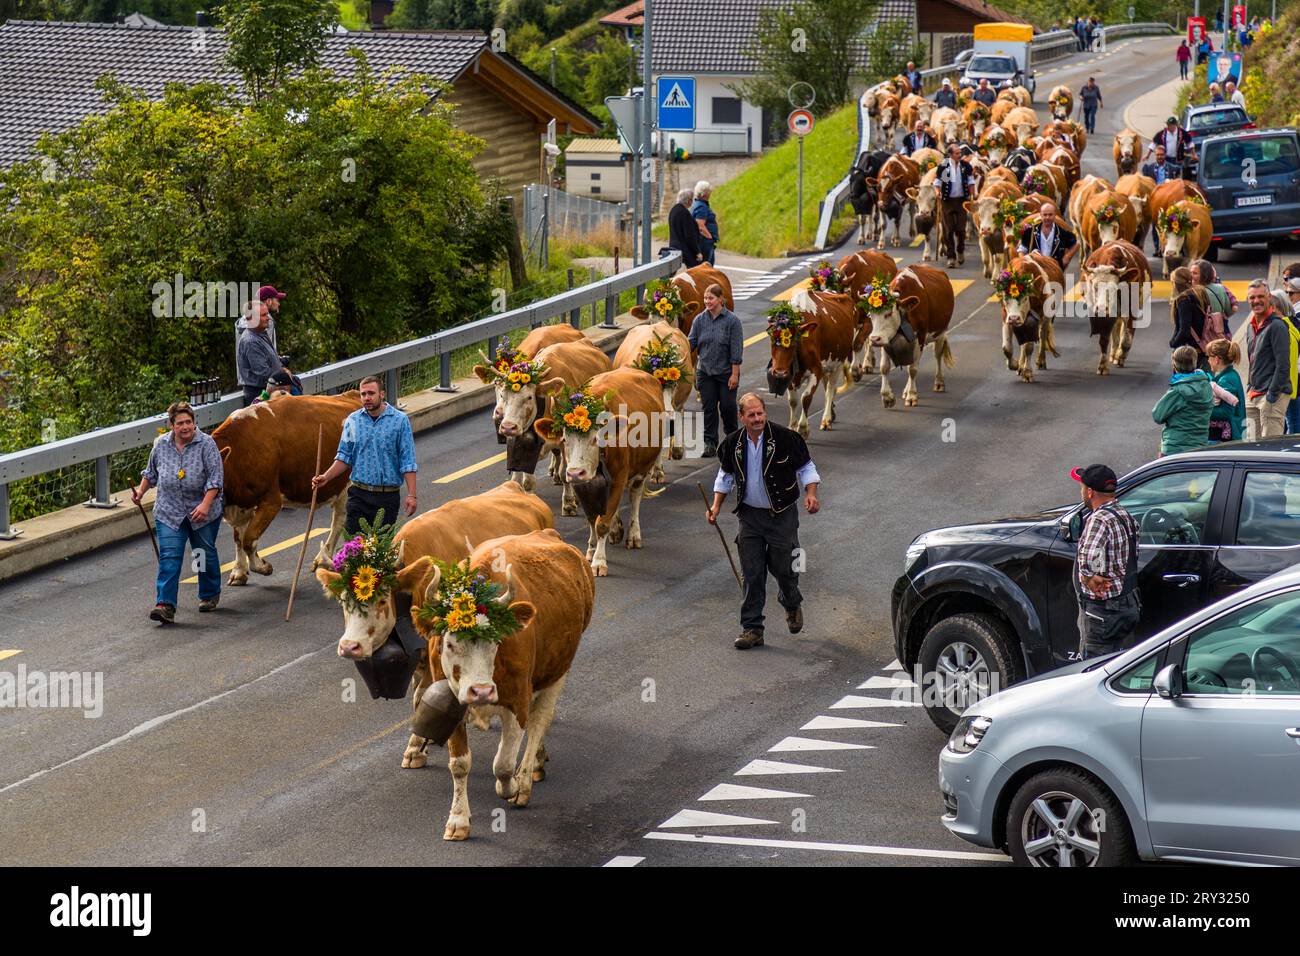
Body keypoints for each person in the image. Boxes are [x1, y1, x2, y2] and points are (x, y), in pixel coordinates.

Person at [706, 393, 820, 650]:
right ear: (741, 417)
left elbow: (807, 469)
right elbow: (724, 477)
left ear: (765, 413)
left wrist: (811, 494)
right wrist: (715, 507)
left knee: (784, 568)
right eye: (751, 415)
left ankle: (791, 602)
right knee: (752, 573)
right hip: (749, 518)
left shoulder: (786, 438)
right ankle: (752, 628)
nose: (757, 419)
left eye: (760, 414)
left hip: (782, 516)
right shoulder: (732, 444)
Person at [132, 401, 224, 624]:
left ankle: (208, 593)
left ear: (194, 423)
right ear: (171, 425)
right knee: (170, 557)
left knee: (201, 554)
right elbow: (151, 473)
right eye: (180, 423)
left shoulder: (206, 444)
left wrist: (204, 505)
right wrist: (141, 492)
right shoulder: (161, 445)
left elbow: (215, 478)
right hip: (169, 511)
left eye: (189, 422)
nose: (186, 427)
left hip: (202, 511)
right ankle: (165, 604)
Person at [312, 375, 418, 534]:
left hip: (387, 497)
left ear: (381, 394)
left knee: (378, 550)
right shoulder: (352, 421)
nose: (366, 398)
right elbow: (344, 457)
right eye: (363, 394)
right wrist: (325, 477)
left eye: (371, 393)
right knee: (354, 548)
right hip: (358, 494)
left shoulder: (399, 421)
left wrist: (412, 495)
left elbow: (407, 460)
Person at [1071, 464, 1141, 660]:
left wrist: (1088, 577)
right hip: (1128, 606)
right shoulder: (1125, 516)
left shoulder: (1099, 520)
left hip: (1103, 614)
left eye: (1082, 488)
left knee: (1094, 669)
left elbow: (1089, 561)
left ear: (1090, 492)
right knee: (1121, 665)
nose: (1081, 492)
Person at [687, 283, 743, 458]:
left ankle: (733, 441)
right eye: (705, 298)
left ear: (720, 299)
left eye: (710, 298)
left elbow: (736, 350)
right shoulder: (699, 320)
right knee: (709, 408)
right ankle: (709, 442)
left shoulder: (732, 321)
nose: (707, 301)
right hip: (705, 373)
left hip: (726, 373)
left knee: (727, 407)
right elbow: (691, 343)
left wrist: (735, 374)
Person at [1243, 279, 1294, 439]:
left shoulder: (1277, 326)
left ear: (1269, 297)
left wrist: (1272, 393)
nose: (1256, 301)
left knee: (1269, 447)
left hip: (1271, 396)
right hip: (1254, 394)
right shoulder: (1251, 326)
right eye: (1252, 297)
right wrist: (1250, 385)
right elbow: (1253, 360)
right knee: (1249, 443)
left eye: (1260, 296)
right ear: (1247, 300)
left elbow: (1283, 365)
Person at [1153, 345, 1213, 456]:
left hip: (1175, 448)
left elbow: (1157, 415)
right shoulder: (1207, 386)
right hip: (1200, 447)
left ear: (1175, 365)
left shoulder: (1178, 391)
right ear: (1195, 363)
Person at [236, 301, 286, 407]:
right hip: (259, 395)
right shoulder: (250, 341)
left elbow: (270, 363)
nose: (268, 317)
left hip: (271, 391)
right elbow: (263, 372)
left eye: (267, 314)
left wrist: (281, 366)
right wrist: (284, 375)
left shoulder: (261, 333)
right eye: (263, 315)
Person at [936, 142, 975, 268]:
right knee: (948, 230)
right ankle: (951, 257)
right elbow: (938, 182)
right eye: (957, 153)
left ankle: (960, 250)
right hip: (947, 201)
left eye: (960, 153)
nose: (960, 155)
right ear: (951, 155)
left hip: (961, 201)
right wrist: (938, 192)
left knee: (960, 229)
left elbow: (970, 181)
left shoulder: (965, 166)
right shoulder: (944, 166)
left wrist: (972, 194)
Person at [1168, 266, 1210, 368]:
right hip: (1202, 348)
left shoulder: (1183, 300)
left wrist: (1173, 342)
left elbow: (1184, 330)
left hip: (1188, 353)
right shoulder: (1200, 294)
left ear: (1175, 283)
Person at [1016, 201, 1078, 270]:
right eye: (1045, 215)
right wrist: (1025, 261)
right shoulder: (1029, 232)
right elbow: (1021, 250)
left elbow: (1077, 242)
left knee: (1068, 279)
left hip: (1054, 269)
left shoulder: (1062, 233)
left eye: (1050, 215)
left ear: (1055, 215)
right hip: (1035, 270)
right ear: (1041, 215)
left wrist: (1067, 257)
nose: (1047, 217)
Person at [1207, 338, 1246, 443]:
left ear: (1217, 359)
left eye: (1209, 357)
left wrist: (1203, 411)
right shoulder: (1231, 375)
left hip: (1227, 436)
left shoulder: (1226, 380)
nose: (1208, 360)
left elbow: (1226, 412)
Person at [1192, 258, 1235, 337]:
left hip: (1202, 337)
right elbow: (1229, 311)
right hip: (1220, 333)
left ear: (1204, 275)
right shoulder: (1221, 288)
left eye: (1195, 273)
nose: (1191, 276)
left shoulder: (1193, 293)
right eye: (1190, 272)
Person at [1280, 267, 1300, 434]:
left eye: (1291, 293)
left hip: (1296, 375)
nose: (1288, 297)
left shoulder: (1295, 317)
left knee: (1293, 423)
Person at [665, 188, 704, 265]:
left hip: (674, 248)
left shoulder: (674, 210)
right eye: (691, 200)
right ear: (689, 200)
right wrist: (697, 251)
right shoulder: (684, 213)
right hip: (685, 251)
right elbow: (689, 235)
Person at [691, 181, 719, 267]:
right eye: (709, 191)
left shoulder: (698, 204)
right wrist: (710, 237)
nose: (710, 193)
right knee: (707, 266)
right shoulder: (701, 207)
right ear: (704, 193)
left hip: (703, 241)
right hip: (704, 242)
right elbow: (700, 225)